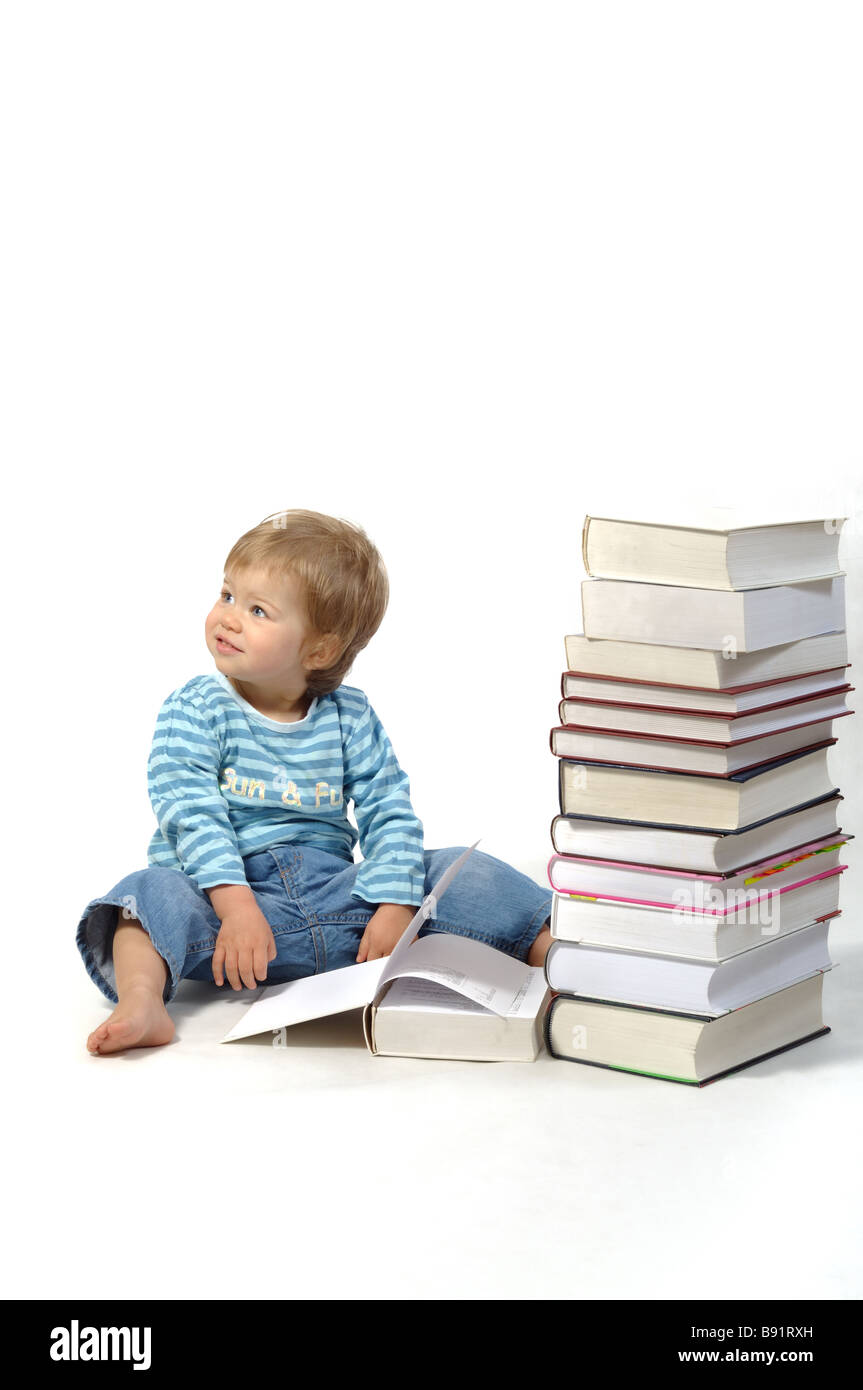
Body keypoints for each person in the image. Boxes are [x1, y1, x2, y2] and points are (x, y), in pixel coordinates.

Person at [78, 508, 553, 1055]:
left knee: (455, 871)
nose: (228, 618)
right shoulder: (197, 707)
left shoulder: (348, 716)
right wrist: (235, 908)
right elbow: (190, 810)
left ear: (319, 650)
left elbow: (388, 807)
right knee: (145, 893)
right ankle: (142, 1001)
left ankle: (554, 951)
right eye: (228, 595)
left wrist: (395, 904)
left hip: (341, 902)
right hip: (233, 914)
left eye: (258, 610)